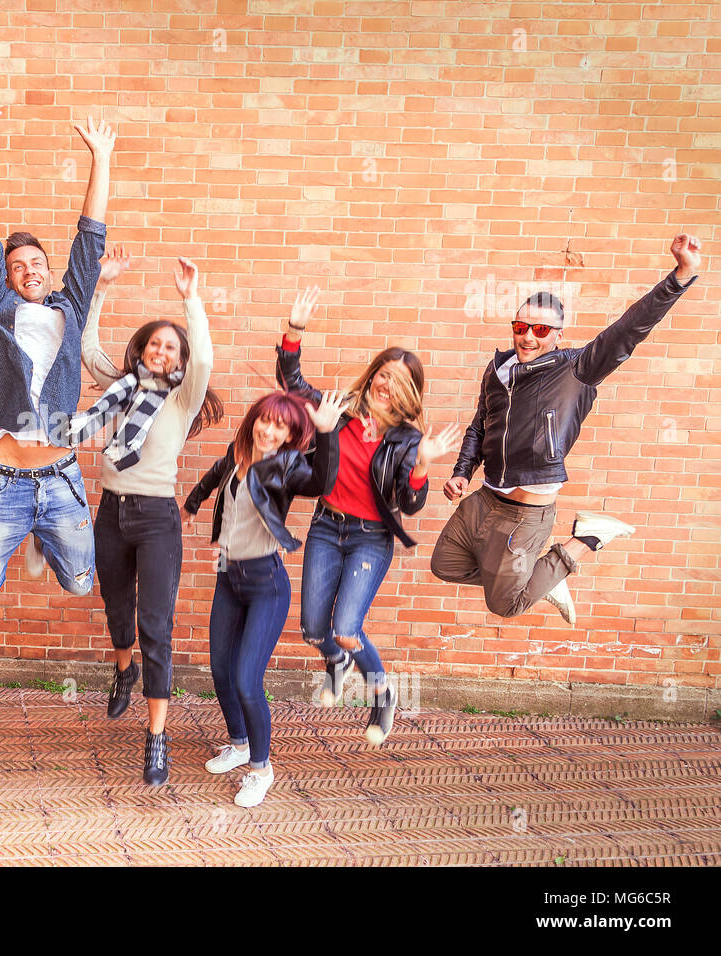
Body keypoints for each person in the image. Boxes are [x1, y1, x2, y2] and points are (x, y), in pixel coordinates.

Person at [432, 234, 702, 625]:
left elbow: (629, 330)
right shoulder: (498, 371)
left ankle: (582, 543)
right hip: (484, 499)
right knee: (445, 564)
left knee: (504, 604)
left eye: (541, 330)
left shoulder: (576, 368)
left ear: (559, 335)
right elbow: (479, 425)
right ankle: (542, 580)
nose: (528, 336)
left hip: (525, 514)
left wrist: (679, 276)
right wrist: (461, 473)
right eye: (521, 326)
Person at [276, 287, 458, 745]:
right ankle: (335, 666)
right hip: (325, 526)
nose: (386, 383)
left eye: (398, 381)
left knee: (346, 629)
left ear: (409, 392)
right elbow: (291, 383)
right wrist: (295, 331)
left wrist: (421, 466)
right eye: (383, 374)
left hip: (369, 539)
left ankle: (382, 695)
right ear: (373, 375)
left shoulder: (406, 442)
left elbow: (410, 503)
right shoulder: (338, 414)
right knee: (314, 629)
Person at [0, 89, 114, 599]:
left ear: (49, 271)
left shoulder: (71, 306)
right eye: (16, 265)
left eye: (36, 263)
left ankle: (41, 539)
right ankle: (27, 533)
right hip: (5, 478)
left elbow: (90, 237)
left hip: (60, 473)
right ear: (7, 276)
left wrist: (102, 157)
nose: (28, 270)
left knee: (83, 584)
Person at [71, 248, 223, 785]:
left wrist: (191, 301)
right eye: (154, 343)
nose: (161, 351)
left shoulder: (182, 399)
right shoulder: (120, 386)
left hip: (158, 519)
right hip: (111, 512)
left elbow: (203, 360)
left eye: (170, 347)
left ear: (177, 360)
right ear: (144, 349)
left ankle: (156, 737)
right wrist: (103, 287)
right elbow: (85, 347)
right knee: (116, 609)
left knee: (154, 625)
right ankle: (123, 670)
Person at [183, 388, 344, 807]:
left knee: (246, 680)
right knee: (220, 669)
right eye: (265, 420)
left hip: (266, 584)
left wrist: (326, 434)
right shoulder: (237, 458)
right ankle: (237, 744)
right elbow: (214, 475)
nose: (269, 430)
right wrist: (191, 506)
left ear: (290, 436)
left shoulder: (285, 468)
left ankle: (261, 768)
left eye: (281, 426)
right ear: (255, 419)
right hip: (228, 579)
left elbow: (322, 481)